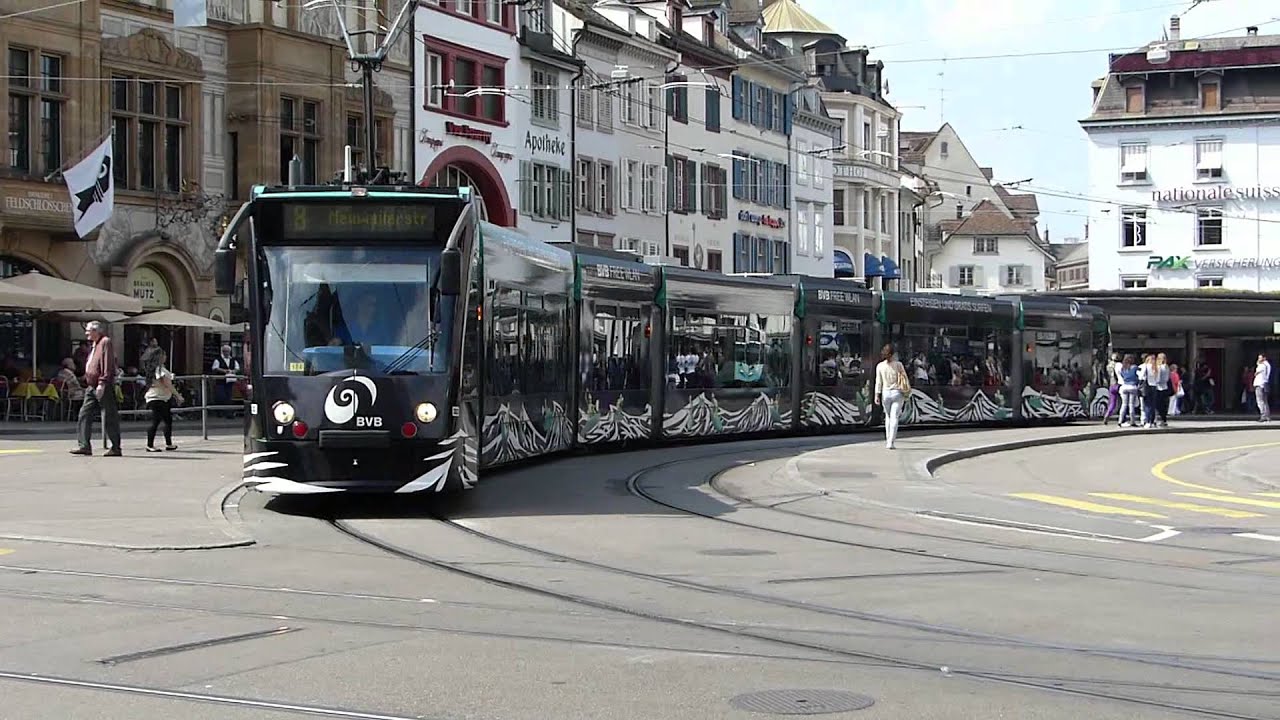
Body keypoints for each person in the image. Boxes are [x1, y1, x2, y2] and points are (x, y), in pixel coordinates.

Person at [71, 320, 121, 457]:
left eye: (88, 330)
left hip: (101, 385)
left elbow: (107, 364)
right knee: (84, 414)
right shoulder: (95, 344)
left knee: (109, 415)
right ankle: (84, 445)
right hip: (91, 386)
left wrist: (102, 383)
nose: (86, 333)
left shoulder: (105, 342)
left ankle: (116, 447)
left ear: (96, 331)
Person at [144, 349, 183, 452]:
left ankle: (169, 443)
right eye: (164, 355)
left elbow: (167, 378)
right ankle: (150, 445)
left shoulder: (160, 369)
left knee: (167, 420)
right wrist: (178, 395)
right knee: (156, 421)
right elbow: (167, 383)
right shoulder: (159, 369)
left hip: (163, 397)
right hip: (157, 398)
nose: (165, 357)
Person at [873, 343, 910, 450]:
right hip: (897, 393)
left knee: (888, 417)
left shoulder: (880, 366)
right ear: (893, 354)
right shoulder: (898, 365)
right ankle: (891, 442)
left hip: (885, 393)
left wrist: (877, 395)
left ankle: (887, 439)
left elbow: (878, 382)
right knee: (895, 417)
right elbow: (905, 378)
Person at [211, 344, 240, 415]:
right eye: (225, 351)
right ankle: (220, 412)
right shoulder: (218, 360)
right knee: (221, 396)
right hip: (220, 381)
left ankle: (229, 413)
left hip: (230, 381)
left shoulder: (233, 360)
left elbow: (237, 368)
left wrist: (233, 371)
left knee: (229, 396)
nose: (226, 353)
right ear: (223, 351)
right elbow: (215, 368)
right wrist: (224, 371)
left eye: (228, 351)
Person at [1255, 353, 1271, 422]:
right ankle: (1267, 416)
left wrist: (1258, 364)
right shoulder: (1267, 365)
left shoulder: (1262, 365)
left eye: (1260, 358)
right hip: (1265, 383)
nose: (1259, 359)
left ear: (1264, 358)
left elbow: (1256, 373)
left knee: (1260, 400)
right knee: (1265, 401)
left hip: (1260, 383)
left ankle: (1263, 415)